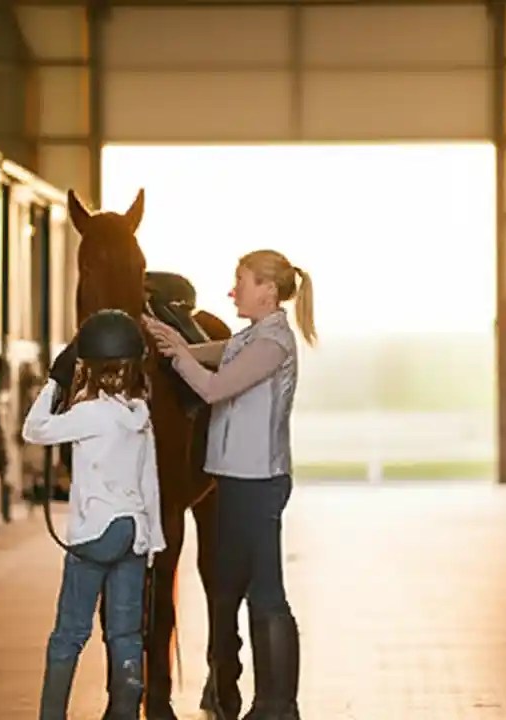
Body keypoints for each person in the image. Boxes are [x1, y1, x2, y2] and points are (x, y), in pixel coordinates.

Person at [143, 249, 316, 720]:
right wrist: (167, 339)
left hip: (257, 484)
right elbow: (210, 353)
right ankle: (251, 697)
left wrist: (179, 357)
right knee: (232, 588)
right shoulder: (252, 337)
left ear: (267, 289)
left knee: (266, 594)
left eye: (240, 280)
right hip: (237, 482)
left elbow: (214, 387)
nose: (231, 289)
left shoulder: (272, 343)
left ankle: (278, 706)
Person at [22, 309, 166, 720]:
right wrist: (152, 541)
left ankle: (52, 716)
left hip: (96, 532)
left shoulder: (89, 414)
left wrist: (55, 381)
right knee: (125, 635)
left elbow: (34, 429)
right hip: (134, 531)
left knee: (69, 633)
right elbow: (149, 482)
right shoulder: (140, 415)